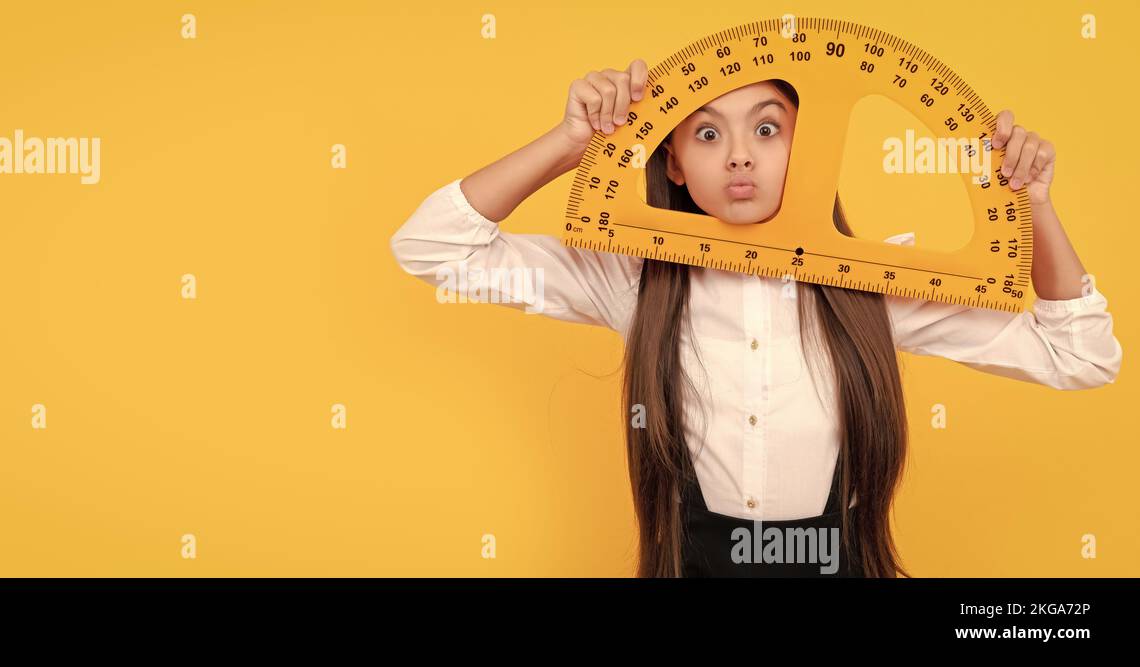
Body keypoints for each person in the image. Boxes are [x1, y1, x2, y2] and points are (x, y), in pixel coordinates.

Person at [389, 59, 1123, 577]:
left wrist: (1033, 205)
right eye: (706, 134)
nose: (739, 156)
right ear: (671, 162)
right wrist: (571, 144)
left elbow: (1080, 356)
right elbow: (432, 247)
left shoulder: (872, 283)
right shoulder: (631, 277)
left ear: (810, 149)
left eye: (768, 130)